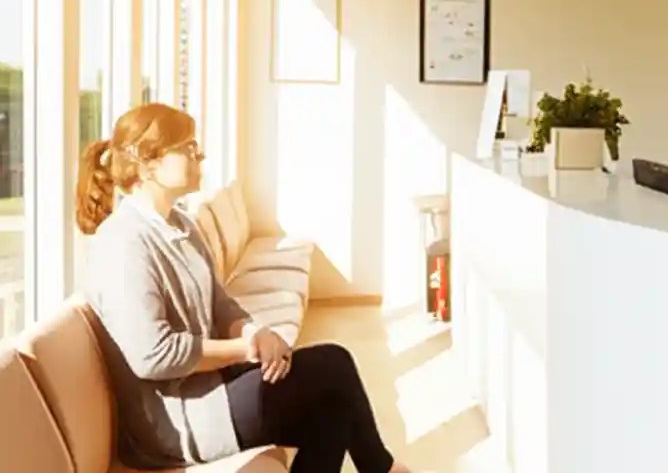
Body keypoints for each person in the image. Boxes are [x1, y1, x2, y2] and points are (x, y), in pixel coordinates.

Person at [76, 103, 415, 473]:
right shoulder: (122, 244)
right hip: (176, 422)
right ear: (149, 164)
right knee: (333, 364)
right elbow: (153, 355)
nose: (199, 154)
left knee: (333, 411)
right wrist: (245, 349)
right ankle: (381, 467)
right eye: (187, 147)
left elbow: (220, 305)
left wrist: (256, 331)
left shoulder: (182, 226)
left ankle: (380, 467)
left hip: (207, 388)